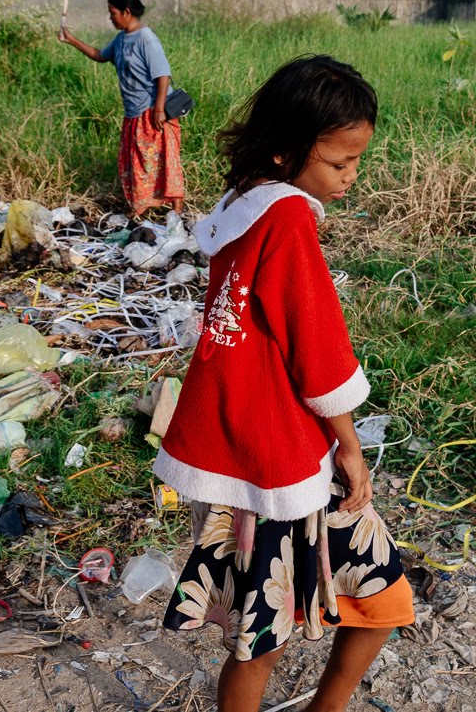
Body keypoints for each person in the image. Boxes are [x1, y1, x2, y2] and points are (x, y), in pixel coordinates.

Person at [153, 55, 413, 712]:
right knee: (296, 627)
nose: (350, 178)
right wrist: (351, 445)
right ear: (285, 151)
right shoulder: (289, 220)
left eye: (357, 161)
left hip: (242, 450)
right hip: (280, 463)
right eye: (339, 163)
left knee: (264, 636)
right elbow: (318, 352)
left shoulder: (242, 205)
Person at [58, 0, 185, 216]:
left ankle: (176, 208)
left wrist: (158, 110)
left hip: (152, 111)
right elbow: (100, 55)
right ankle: (141, 205)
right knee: (138, 163)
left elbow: (162, 74)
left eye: (113, 13)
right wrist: (71, 40)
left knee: (164, 160)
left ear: (127, 12)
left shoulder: (146, 39)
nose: (110, 18)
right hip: (133, 113)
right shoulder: (120, 40)